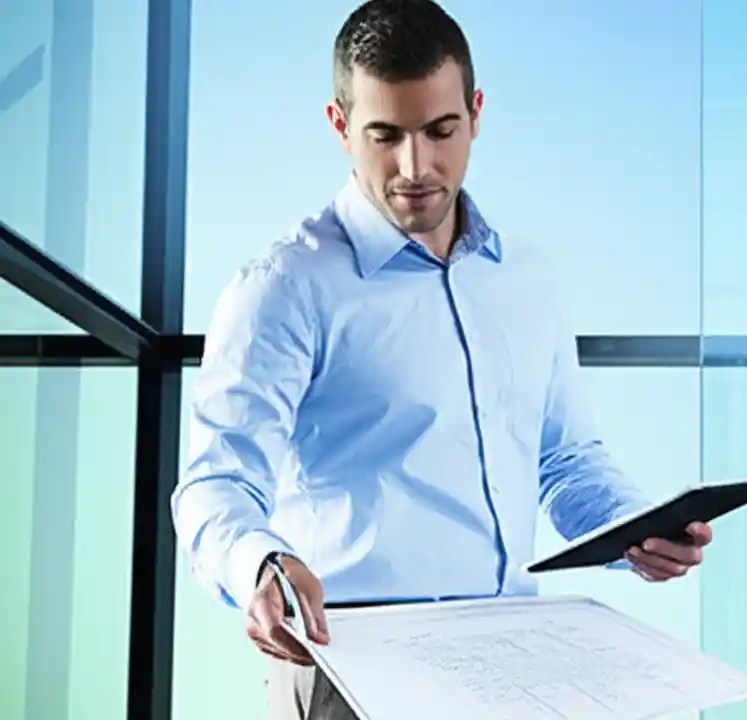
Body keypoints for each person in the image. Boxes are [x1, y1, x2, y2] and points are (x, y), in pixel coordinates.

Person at [169, 1, 712, 716]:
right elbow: (215, 483)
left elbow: (565, 461)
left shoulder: (529, 280)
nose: (415, 166)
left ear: (476, 114)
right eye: (384, 135)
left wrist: (638, 528)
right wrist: (260, 563)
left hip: (514, 665)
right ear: (340, 127)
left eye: (440, 130)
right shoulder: (283, 289)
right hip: (353, 671)